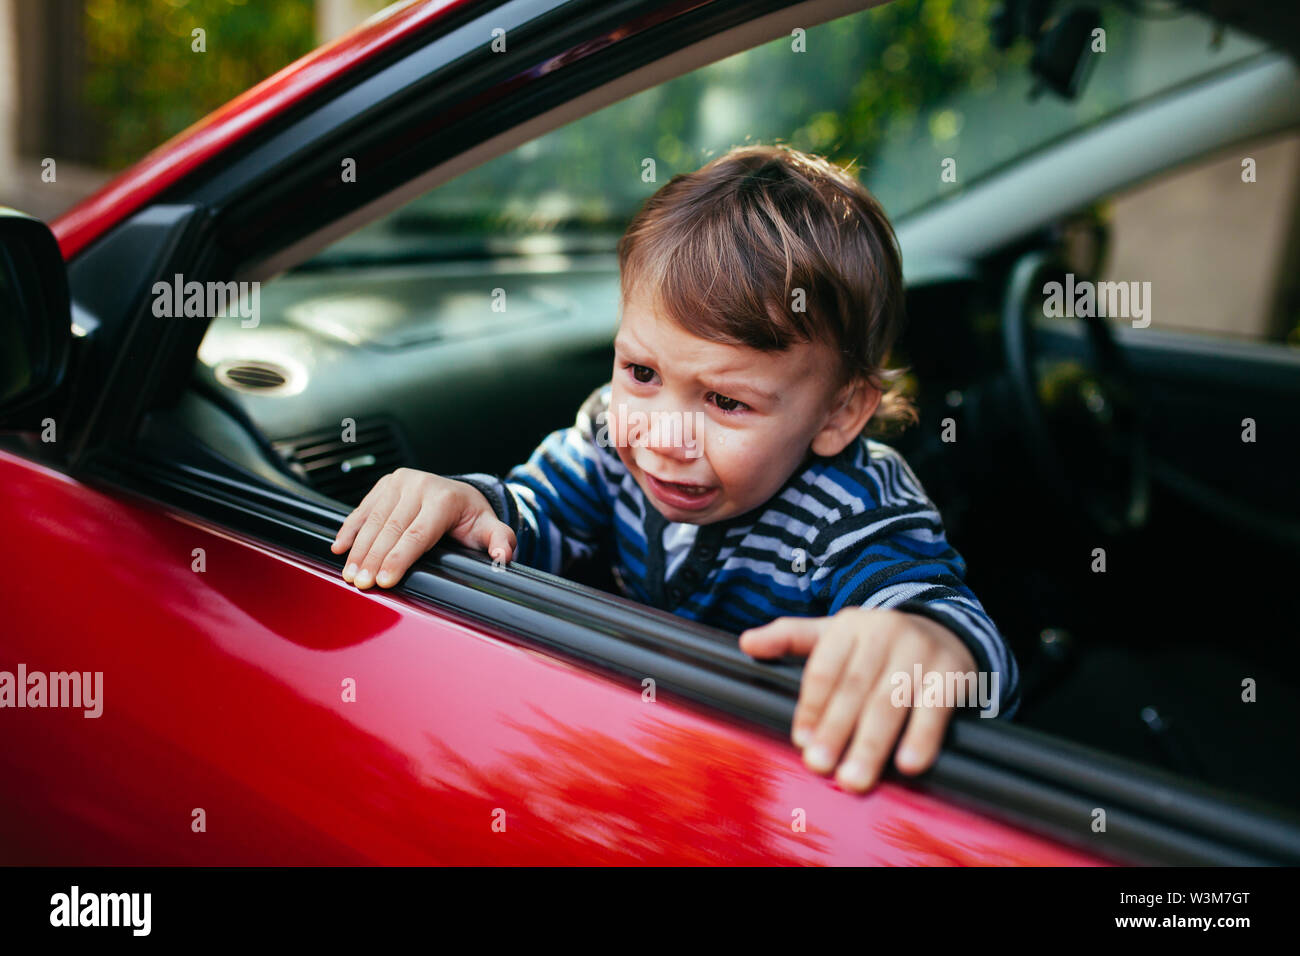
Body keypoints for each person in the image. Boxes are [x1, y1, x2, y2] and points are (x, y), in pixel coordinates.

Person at [331, 143, 1020, 793]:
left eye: (725, 400)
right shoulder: (610, 430)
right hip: (634, 751)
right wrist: (472, 505)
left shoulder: (855, 506)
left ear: (840, 413)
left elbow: (970, 650)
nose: (663, 436)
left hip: (776, 781)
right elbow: (540, 515)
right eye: (642, 371)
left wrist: (926, 645)